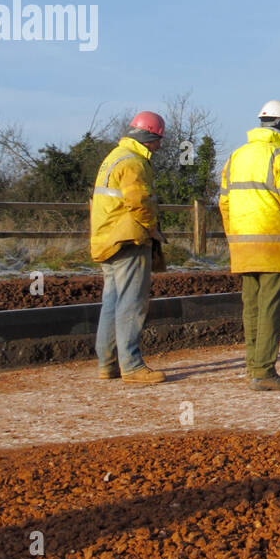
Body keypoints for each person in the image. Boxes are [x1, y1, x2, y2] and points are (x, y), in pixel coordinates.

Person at [219, 100, 280, 391]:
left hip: (243, 248)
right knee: (271, 309)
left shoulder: (236, 156)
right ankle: (264, 373)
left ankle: (253, 366)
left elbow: (224, 203)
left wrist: (233, 240)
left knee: (251, 308)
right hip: (273, 249)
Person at [90, 110, 168, 384]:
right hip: (128, 239)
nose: (159, 146)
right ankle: (132, 366)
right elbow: (140, 203)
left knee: (111, 301)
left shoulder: (113, 157)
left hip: (107, 240)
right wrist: (152, 229)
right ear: (149, 137)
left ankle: (107, 363)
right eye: (158, 140)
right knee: (132, 303)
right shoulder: (134, 163)